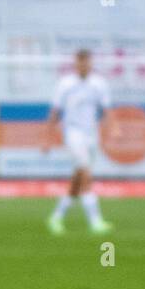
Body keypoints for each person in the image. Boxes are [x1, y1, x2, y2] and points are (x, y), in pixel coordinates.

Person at [47, 49, 112, 235]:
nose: (83, 65)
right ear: (75, 63)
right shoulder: (65, 84)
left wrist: (113, 127)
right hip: (73, 133)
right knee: (85, 174)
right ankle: (95, 221)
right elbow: (55, 111)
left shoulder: (99, 84)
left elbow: (106, 109)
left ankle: (57, 216)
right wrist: (46, 138)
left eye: (86, 62)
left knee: (77, 180)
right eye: (80, 62)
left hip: (91, 134)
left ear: (90, 63)